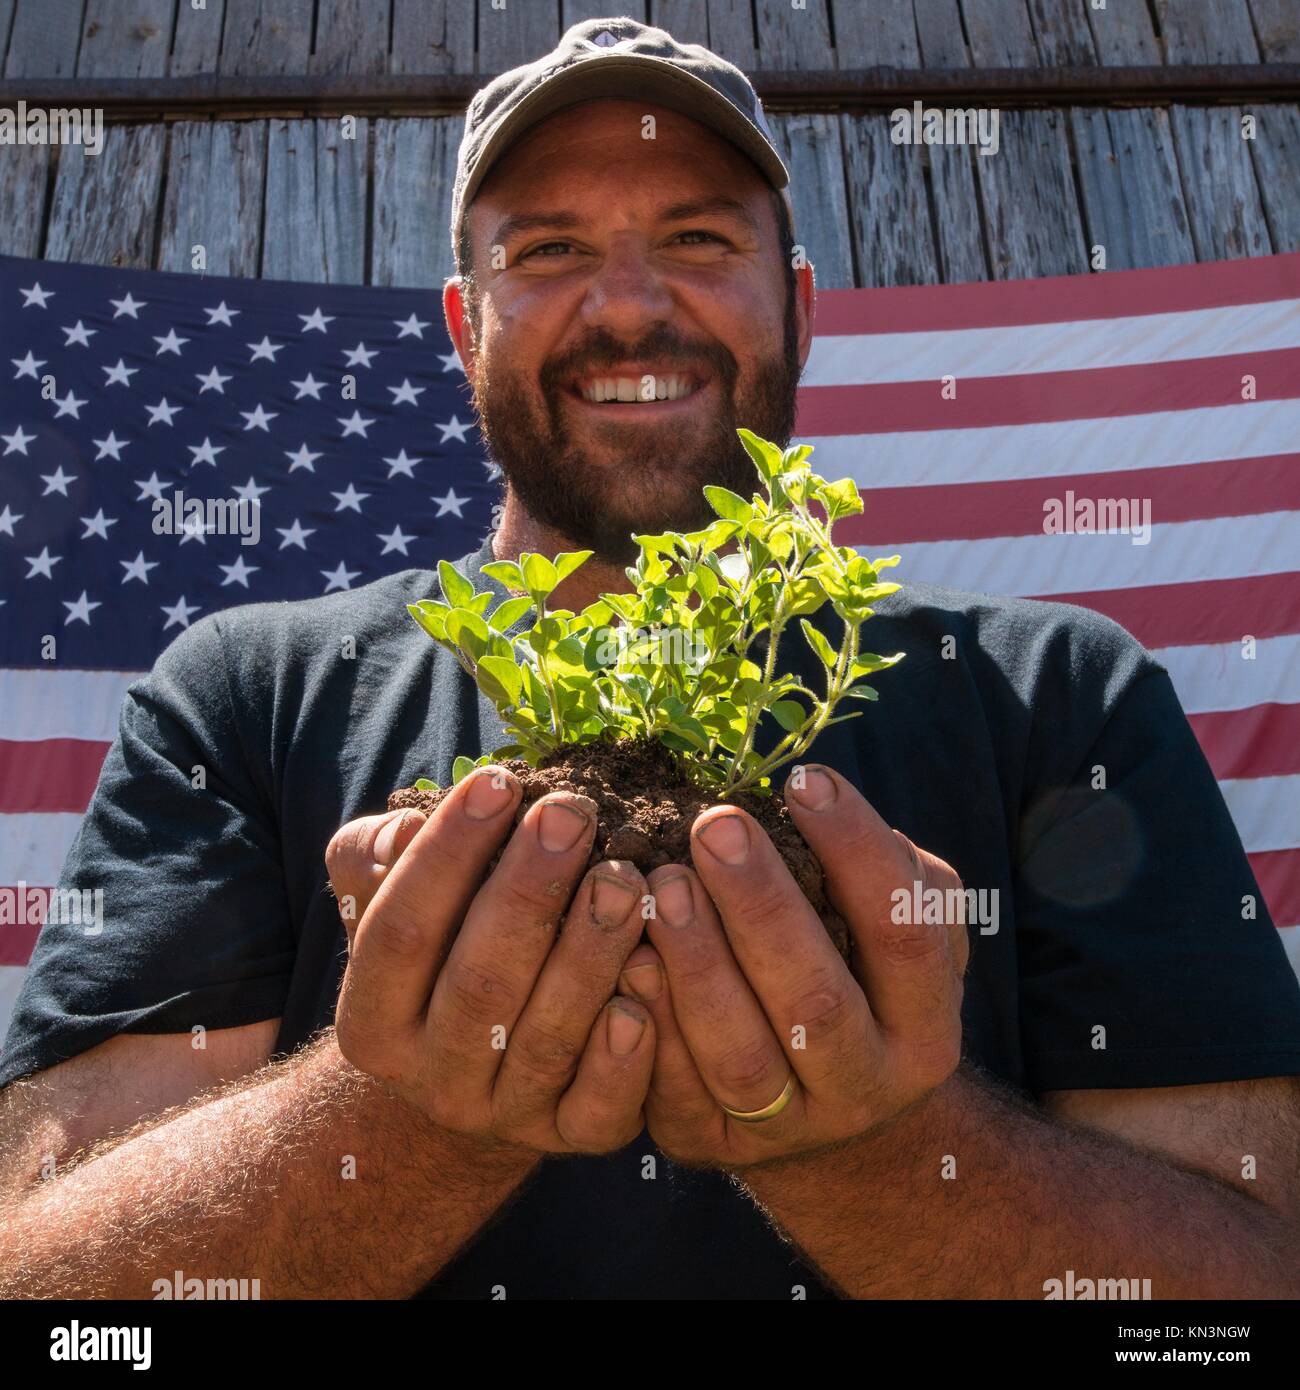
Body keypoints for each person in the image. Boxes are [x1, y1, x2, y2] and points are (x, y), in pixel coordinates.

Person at [2, 17, 1298, 1301]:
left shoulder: (1062, 695)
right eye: (551, 249)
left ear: (793, 305)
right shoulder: (241, 695)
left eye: (697, 238)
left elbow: (1248, 1284)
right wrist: (395, 1120)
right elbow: (46, 1284)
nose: (627, 303)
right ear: (465, 325)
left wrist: (889, 1151)